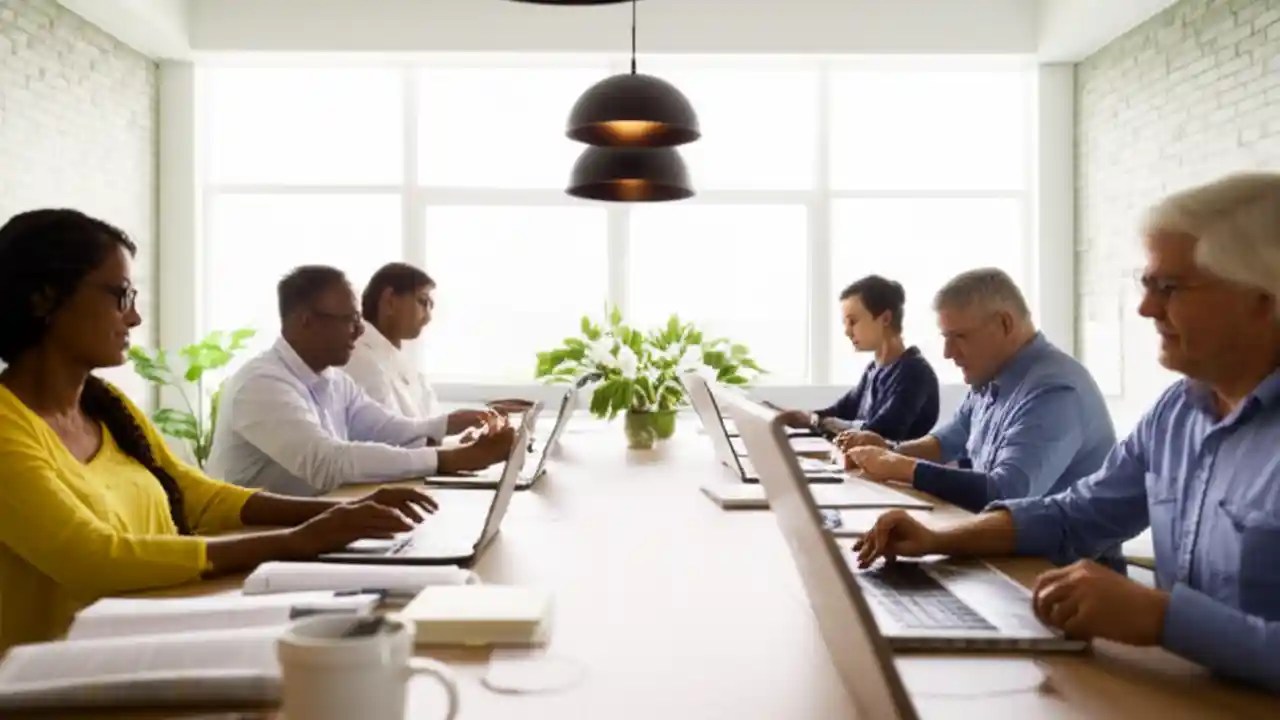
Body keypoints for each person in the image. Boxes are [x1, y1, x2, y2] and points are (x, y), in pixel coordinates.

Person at [852, 173, 1280, 693]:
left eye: (1169, 287)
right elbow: (1076, 514)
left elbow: (1013, 489)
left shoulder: (1057, 387)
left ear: (1262, 298)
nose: (1145, 308)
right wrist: (940, 539)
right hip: (1188, 687)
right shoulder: (1177, 411)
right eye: (1145, 285)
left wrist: (1162, 618)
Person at [0, 209, 439, 651]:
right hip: (58, 672)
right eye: (121, 296)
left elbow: (197, 497)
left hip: (146, 635)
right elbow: (94, 559)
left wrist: (342, 513)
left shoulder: (104, 406)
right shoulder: (8, 425)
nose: (134, 318)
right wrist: (295, 541)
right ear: (44, 299)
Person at [207, 265, 514, 496]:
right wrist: (449, 459)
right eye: (349, 320)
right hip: (248, 538)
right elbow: (327, 463)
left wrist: (447, 425)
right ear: (306, 321)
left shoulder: (334, 380)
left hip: (307, 523)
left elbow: (386, 429)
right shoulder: (262, 384)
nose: (360, 329)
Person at [838, 268, 1115, 515]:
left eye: (959, 336)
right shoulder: (990, 377)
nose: (947, 353)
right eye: (945, 338)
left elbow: (1007, 493)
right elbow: (944, 443)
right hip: (1003, 541)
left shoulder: (1054, 391)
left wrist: (900, 466)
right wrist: (886, 451)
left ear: (1005, 324)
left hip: (1055, 556)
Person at [775, 275, 938, 441]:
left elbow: (882, 432)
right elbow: (840, 411)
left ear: (885, 319)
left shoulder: (915, 372)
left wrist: (816, 421)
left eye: (852, 322)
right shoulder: (873, 370)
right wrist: (803, 417)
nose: (847, 332)